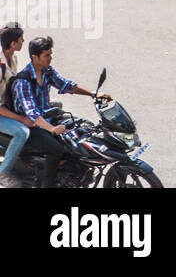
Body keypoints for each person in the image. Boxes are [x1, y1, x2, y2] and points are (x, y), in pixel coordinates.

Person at [7, 36, 109, 188]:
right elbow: (32, 113)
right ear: (35, 57)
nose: (50, 58)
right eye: (46, 55)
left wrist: (92, 94)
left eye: (51, 54)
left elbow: (66, 85)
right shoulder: (24, 81)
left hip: (46, 118)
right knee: (56, 149)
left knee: (79, 135)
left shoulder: (46, 71)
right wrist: (52, 129)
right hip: (31, 126)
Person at [0, 22, 29, 187]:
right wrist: (20, 118)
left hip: (7, 105)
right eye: (20, 39)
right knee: (21, 132)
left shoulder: (12, 58)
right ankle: (3, 174)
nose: (23, 41)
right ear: (12, 44)